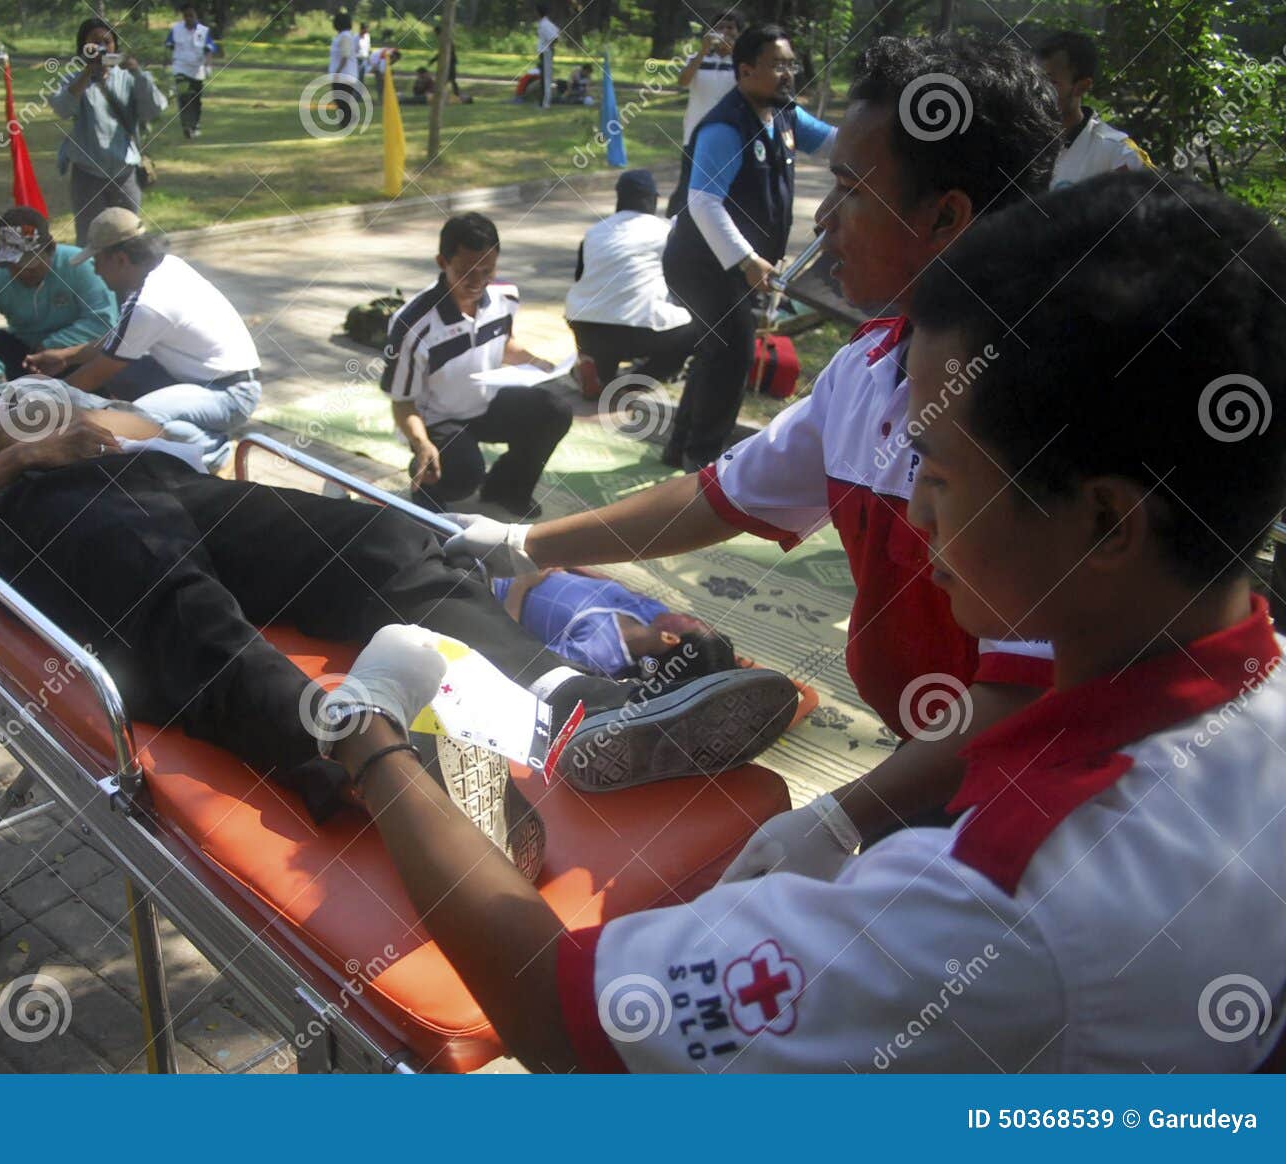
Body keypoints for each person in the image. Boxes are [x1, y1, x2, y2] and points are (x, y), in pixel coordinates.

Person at [322, 170, 1286, 1073]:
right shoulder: (1253, 702)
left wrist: (373, 745)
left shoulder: (992, 901)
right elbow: (720, 495)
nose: (916, 515)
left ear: (1107, 520)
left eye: (942, 478)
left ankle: (581, 684)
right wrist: (533, 545)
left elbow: (555, 1010)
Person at [448, 34, 1066, 855]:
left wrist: (845, 817)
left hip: (1032, 800)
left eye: (849, 190)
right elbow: (719, 496)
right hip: (930, 768)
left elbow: (1025, 699)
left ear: (945, 216)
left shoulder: (1039, 412)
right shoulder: (869, 368)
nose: (822, 219)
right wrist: (526, 542)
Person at [0, 330, 801, 829]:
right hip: (37, 517)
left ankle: (578, 705)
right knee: (181, 613)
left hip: (155, 479)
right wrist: (4, 465)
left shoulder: (22, 386)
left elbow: (158, 431)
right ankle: (373, 770)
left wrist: (79, 428)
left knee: (381, 545)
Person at [662, 24, 835, 471]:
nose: (788, 73)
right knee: (733, 352)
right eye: (777, 65)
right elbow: (704, 201)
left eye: (790, 64)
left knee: (716, 350)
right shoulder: (725, 125)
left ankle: (681, 448)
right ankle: (705, 463)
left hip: (738, 266)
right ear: (745, 71)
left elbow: (838, 142)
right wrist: (744, 259)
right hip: (701, 264)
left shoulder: (785, 115)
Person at [23, 209, 258, 471]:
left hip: (229, 394)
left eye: (97, 261)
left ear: (121, 259)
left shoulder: (150, 302)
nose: (96, 271)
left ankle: (215, 453)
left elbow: (97, 373)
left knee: (134, 420)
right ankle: (188, 437)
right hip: (205, 381)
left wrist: (42, 407)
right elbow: (115, 344)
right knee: (139, 406)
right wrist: (65, 356)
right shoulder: (168, 267)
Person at [382, 213, 570, 520]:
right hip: (436, 419)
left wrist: (538, 363)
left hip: (486, 401)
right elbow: (402, 401)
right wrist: (421, 443)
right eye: (466, 272)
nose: (478, 283)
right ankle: (427, 483)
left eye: (487, 271)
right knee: (464, 473)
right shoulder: (413, 324)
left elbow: (503, 344)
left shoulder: (505, 296)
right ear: (442, 262)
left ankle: (506, 489)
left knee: (555, 411)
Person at [565, 170, 696, 399]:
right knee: (697, 329)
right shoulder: (667, 231)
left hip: (584, 325)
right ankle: (635, 383)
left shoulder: (594, 232)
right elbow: (682, 281)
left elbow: (580, 277)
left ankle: (596, 369)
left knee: (608, 333)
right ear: (653, 199)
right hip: (640, 331)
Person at [0, 208, 118, 387]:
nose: (23, 272)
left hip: (74, 355)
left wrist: (54, 345)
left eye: (31, 264)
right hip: (25, 357)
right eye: (14, 265)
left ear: (51, 250)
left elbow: (103, 321)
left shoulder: (78, 264)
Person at [494, 568, 736, 682]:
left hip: (491, 590)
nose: (686, 614)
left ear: (670, 639)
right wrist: (564, 565)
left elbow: (517, 655)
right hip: (518, 564)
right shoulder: (651, 612)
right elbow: (605, 584)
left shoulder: (600, 655)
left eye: (691, 621)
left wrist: (521, 586)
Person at [49, 18, 166, 246]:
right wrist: (87, 73)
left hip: (125, 173)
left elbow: (153, 109)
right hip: (88, 174)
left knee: (130, 238)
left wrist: (139, 73)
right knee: (90, 240)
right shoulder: (74, 79)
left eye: (108, 42)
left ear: (115, 46)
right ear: (83, 48)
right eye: (95, 43)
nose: (102, 48)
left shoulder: (129, 77)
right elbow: (62, 108)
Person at [1035, 29, 1150, 188]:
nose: (1037, 90)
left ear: (1081, 87)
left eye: (1050, 82)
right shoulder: (1018, 143)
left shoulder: (1119, 155)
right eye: (1033, 80)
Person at [667, 10, 743, 218]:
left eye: (730, 28)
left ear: (738, 32)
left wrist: (736, 53)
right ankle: (678, 223)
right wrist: (703, 51)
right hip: (695, 132)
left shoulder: (743, 62)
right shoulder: (696, 58)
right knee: (689, 182)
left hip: (731, 135)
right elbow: (683, 81)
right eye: (720, 27)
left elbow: (747, 86)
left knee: (729, 185)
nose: (725, 32)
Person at [167, 4, 217, 139]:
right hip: (180, 69)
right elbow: (169, 46)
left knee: (195, 99)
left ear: (196, 16)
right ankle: (186, 126)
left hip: (196, 70)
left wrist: (208, 65)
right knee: (184, 97)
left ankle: (195, 124)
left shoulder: (201, 31)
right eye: (186, 16)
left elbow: (208, 49)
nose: (189, 18)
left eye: (191, 15)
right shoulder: (176, 29)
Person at [328, 11, 360, 130]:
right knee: (342, 100)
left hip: (344, 75)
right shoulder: (342, 36)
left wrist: (337, 71)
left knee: (342, 100)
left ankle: (346, 123)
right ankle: (348, 121)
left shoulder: (345, 36)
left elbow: (345, 56)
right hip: (343, 74)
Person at [534, 4, 558, 110]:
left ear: (538, 12)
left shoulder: (545, 24)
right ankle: (543, 101)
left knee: (546, 79)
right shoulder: (545, 23)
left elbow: (554, 38)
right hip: (544, 53)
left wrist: (550, 49)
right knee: (544, 78)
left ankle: (545, 103)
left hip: (546, 53)